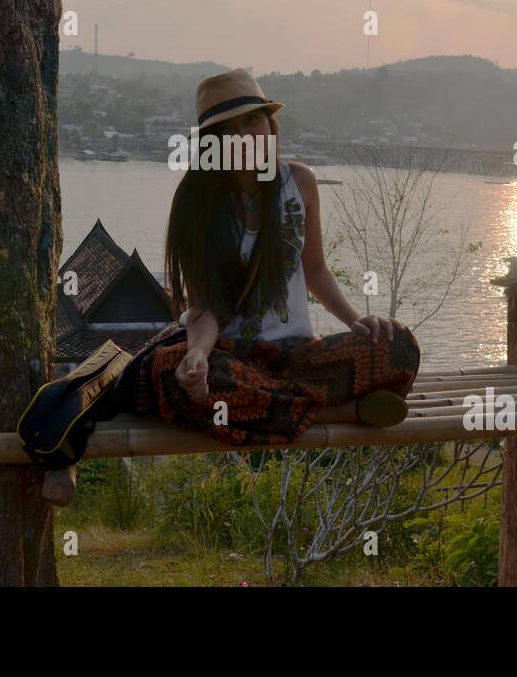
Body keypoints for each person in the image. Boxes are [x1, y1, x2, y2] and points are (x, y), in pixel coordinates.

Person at [134, 67, 421, 445]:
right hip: (232, 358)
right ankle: (331, 410)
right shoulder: (195, 203)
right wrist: (198, 356)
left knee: (399, 346)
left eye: (252, 119)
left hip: (299, 358)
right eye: (227, 129)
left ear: (270, 124)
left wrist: (356, 321)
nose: (244, 135)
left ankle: (269, 408)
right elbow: (201, 309)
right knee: (169, 373)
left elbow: (316, 269)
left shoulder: (300, 182)